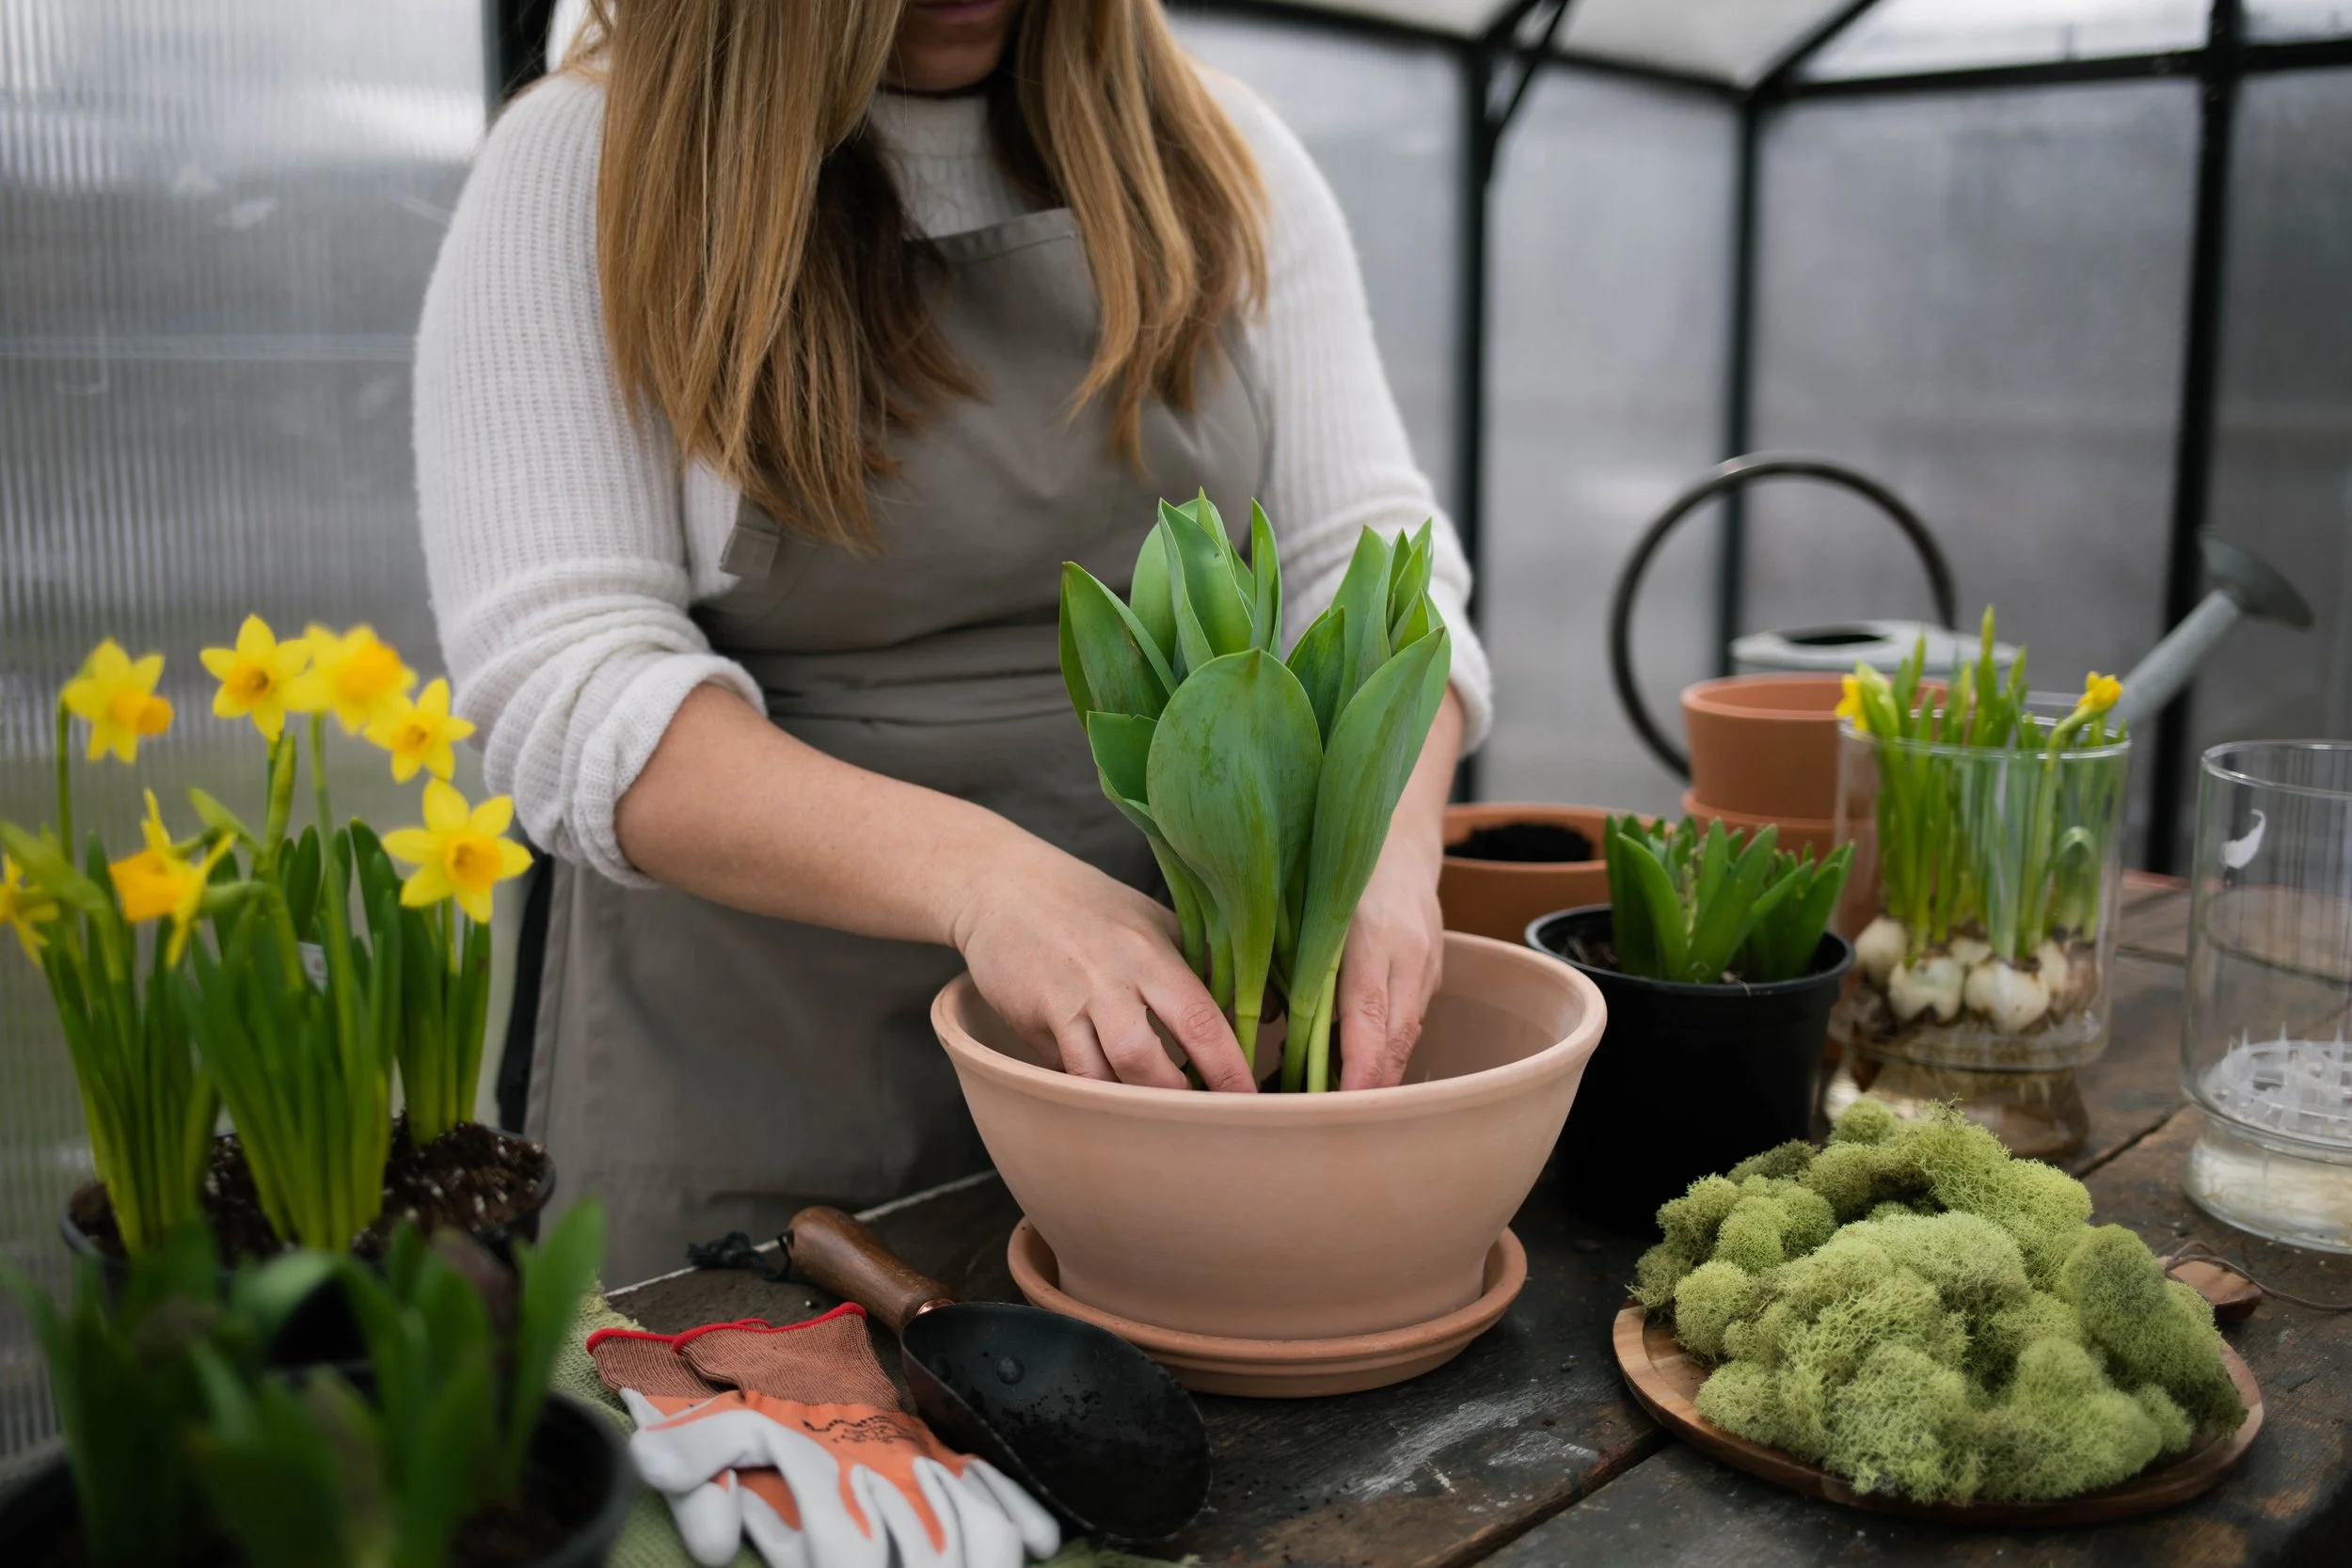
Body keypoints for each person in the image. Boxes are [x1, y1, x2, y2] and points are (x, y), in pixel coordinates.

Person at [414, 0, 1495, 1280]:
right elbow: (566, 678)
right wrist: (996, 886)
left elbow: (1367, 566)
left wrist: (1379, 852)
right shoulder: (589, 162)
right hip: (768, 1079)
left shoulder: (1221, 151)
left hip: (1178, 1078)